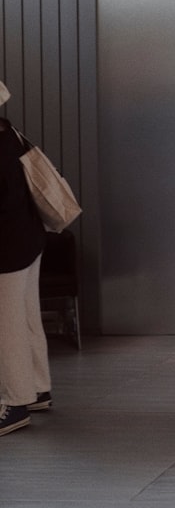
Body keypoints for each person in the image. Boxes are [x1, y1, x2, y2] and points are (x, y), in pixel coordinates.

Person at [0, 80, 53, 437]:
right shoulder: (8, 132)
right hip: (28, 240)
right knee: (27, 317)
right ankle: (37, 388)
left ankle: (15, 403)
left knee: (7, 326)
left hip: (7, 248)